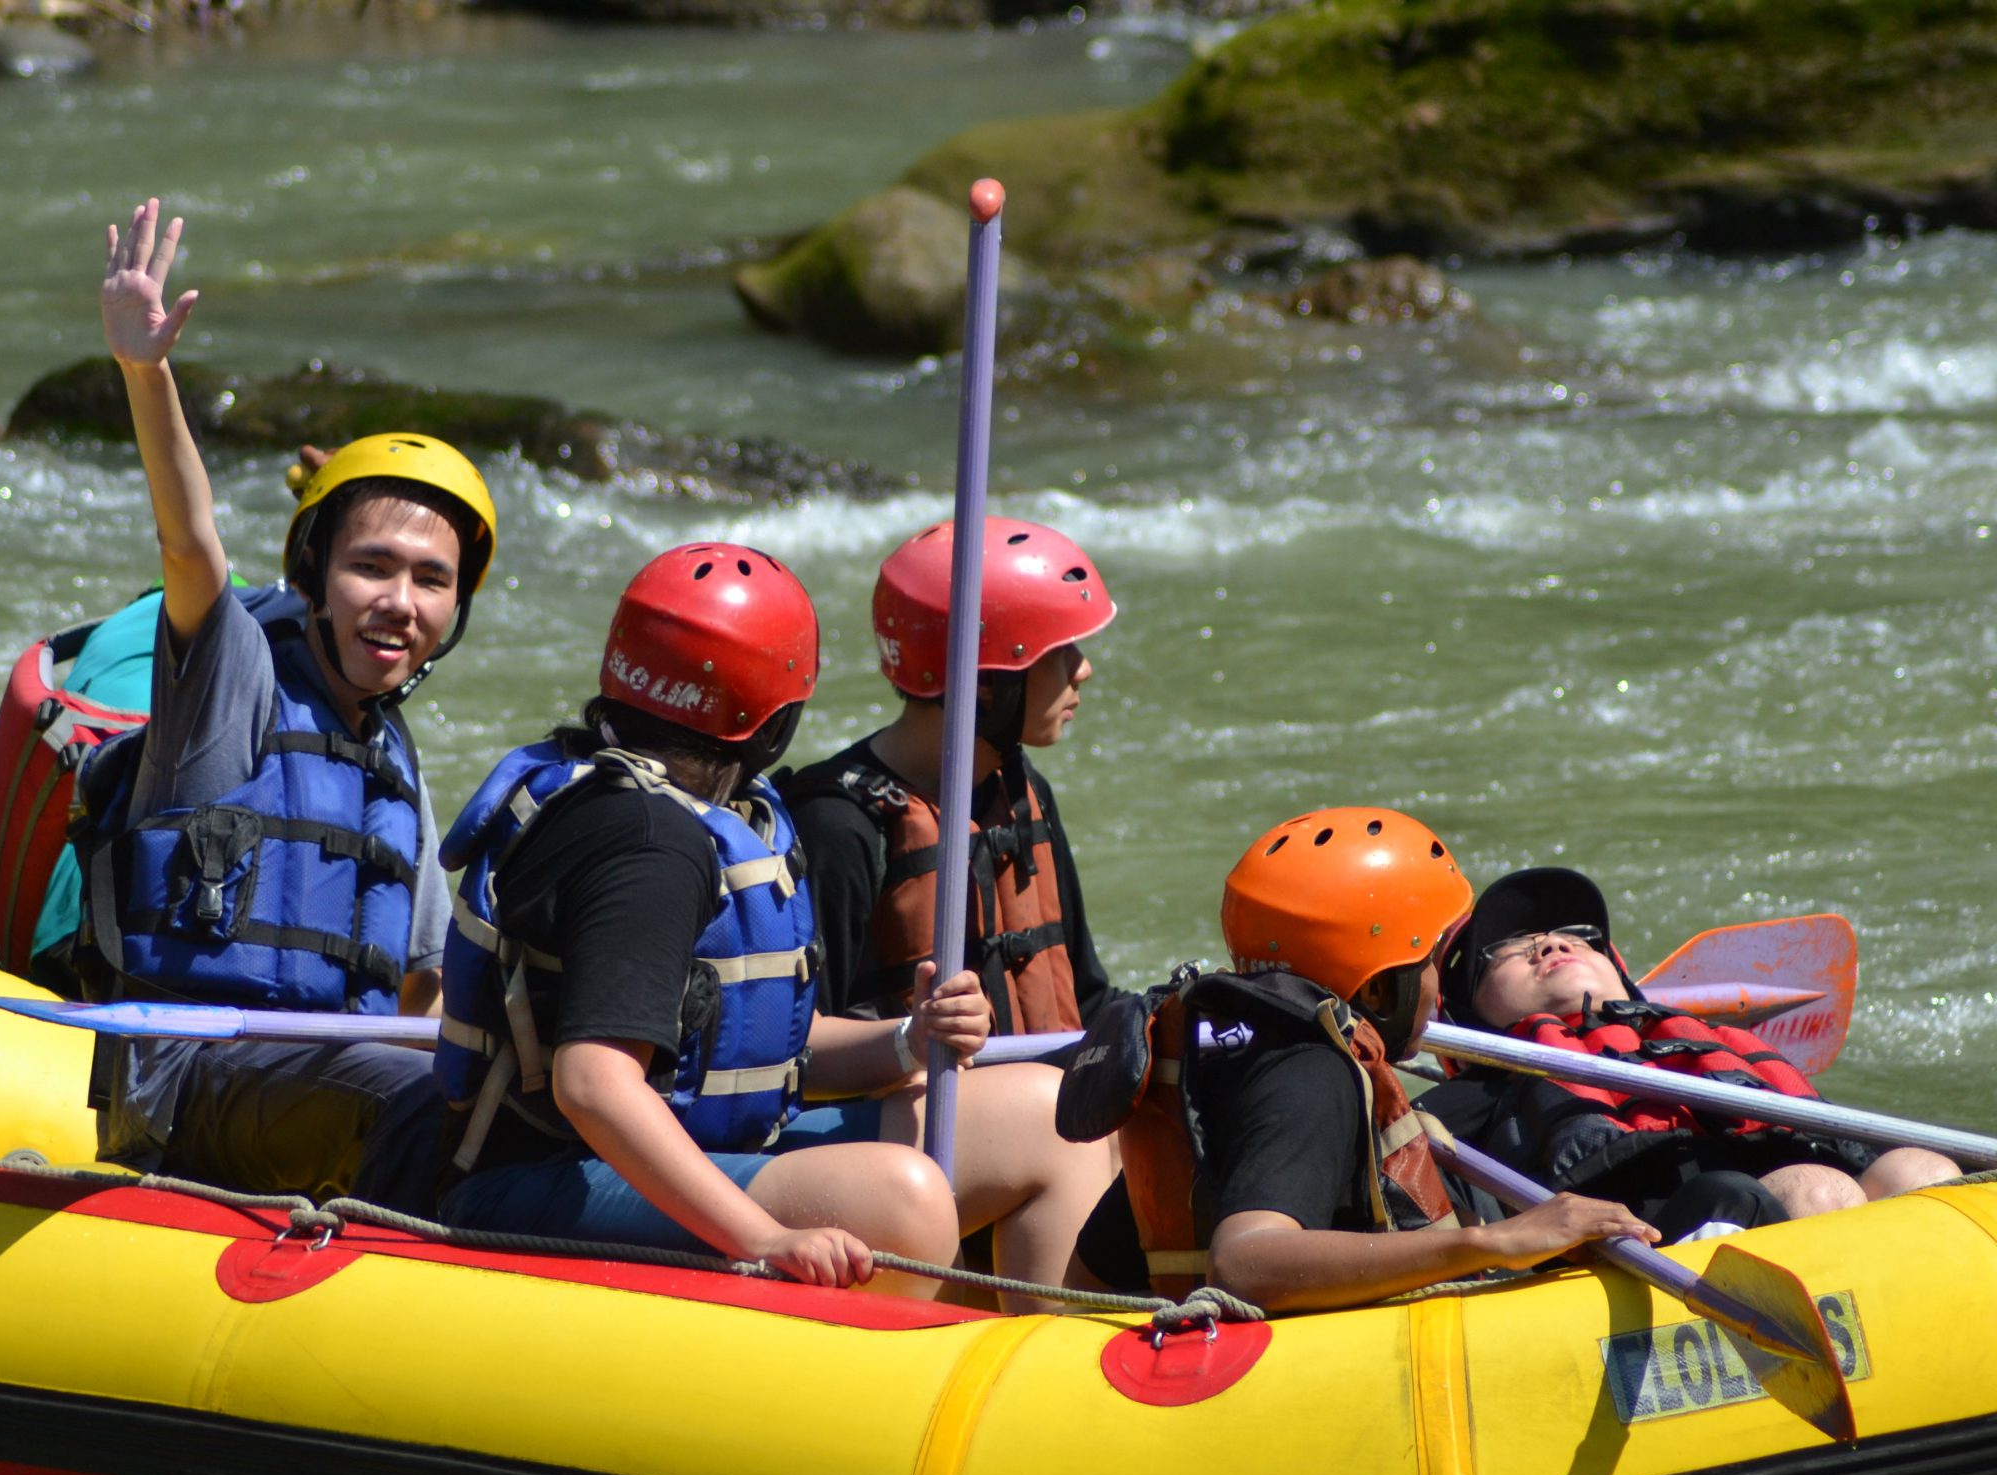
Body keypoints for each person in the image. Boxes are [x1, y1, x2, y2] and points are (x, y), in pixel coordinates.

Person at [432, 543, 1116, 1301]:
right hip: (539, 1183)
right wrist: (761, 1236)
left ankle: (1041, 1372)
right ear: (775, 716)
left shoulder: (708, 814)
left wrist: (907, 1039)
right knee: (906, 1200)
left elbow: (763, 1048)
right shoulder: (647, 844)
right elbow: (593, 1085)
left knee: (1053, 1118)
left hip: (699, 1150)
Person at [70, 198, 496, 1209]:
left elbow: (422, 981)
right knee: (424, 1092)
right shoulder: (233, 680)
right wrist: (146, 369)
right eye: (371, 568)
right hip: (186, 1083)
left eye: (431, 581)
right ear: (313, 573)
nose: (400, 602)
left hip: (329, 1085)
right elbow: (190, 545)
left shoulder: (390, 751)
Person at [1065, 808, 1657, 1313]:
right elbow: (1243, 1262)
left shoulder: (1227, 1053)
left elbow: (1088, 1277)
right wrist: (1498, 1242)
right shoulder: (1310, 1071)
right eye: (1426, 960)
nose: (1435, 983)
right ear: (1376, 991)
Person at [1427, 866, 1960, 1231]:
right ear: (1467, 1019)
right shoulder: (1486, 1085)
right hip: (1649, 1224)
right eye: (1508, 952)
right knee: (1817, 1193)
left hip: (1779, 1178)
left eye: (1579, 935)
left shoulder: (1698, 1038)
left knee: (1918, 1171)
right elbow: (1386, 1147)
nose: (1552, 943)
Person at [785, 518, 1122, 1034]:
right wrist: (907, 1038)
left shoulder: (1023, 790)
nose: (1083, 670)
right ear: (987, 684)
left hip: (1032, 1098)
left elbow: (1089, 1001)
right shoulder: (838, 827)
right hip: (904, 1109)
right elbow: (788, 1049)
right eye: (1058, 654)